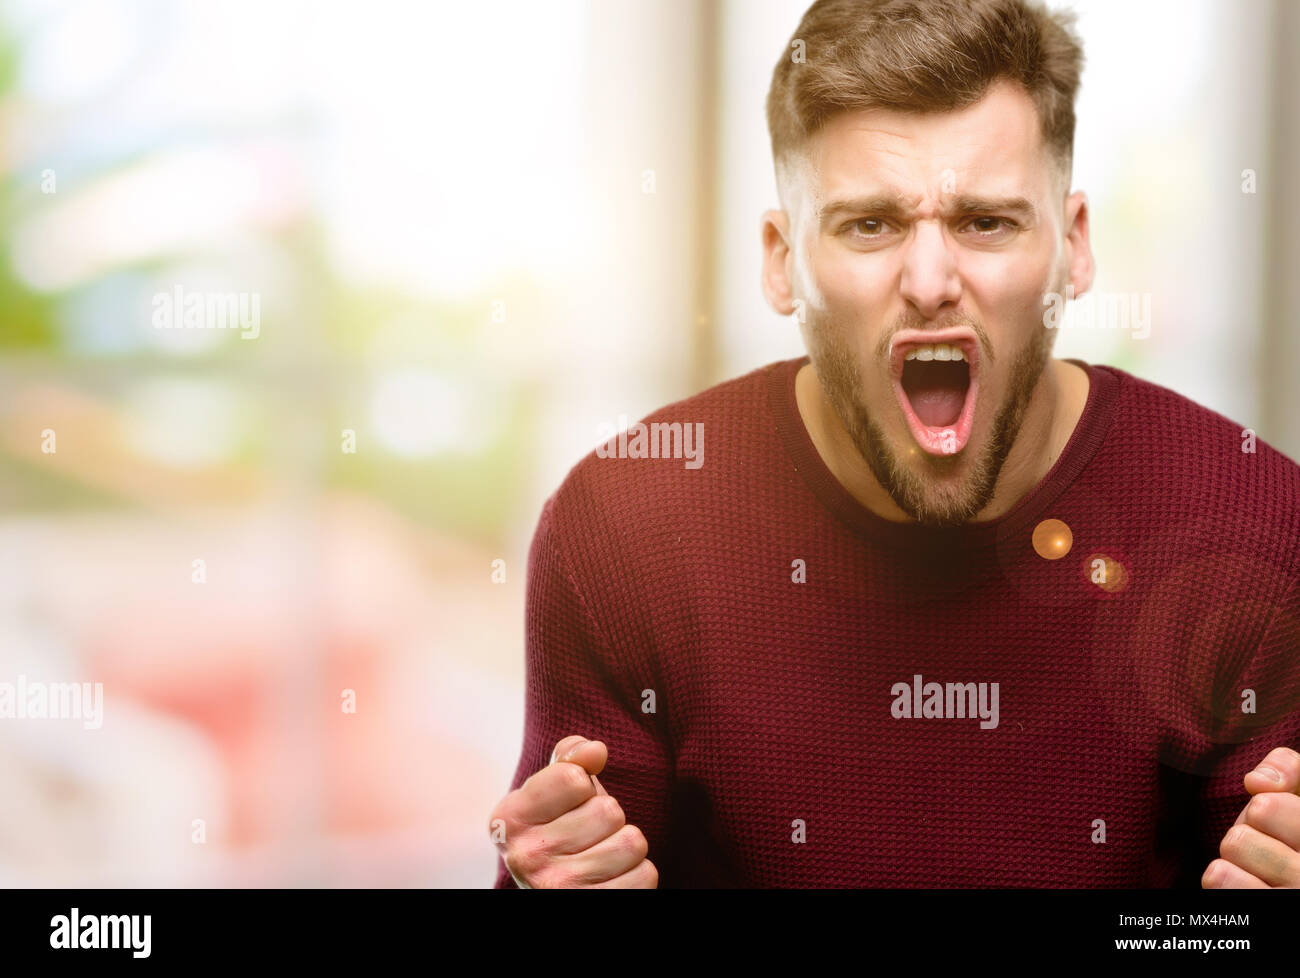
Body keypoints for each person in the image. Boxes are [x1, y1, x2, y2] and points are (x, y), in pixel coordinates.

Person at [489, 0, 1300, 888]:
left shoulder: (1259, 523)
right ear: (780, 259)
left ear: (1072, 246)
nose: (929, 282)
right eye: (870, 224)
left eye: (985, 221)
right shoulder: (624, 530)